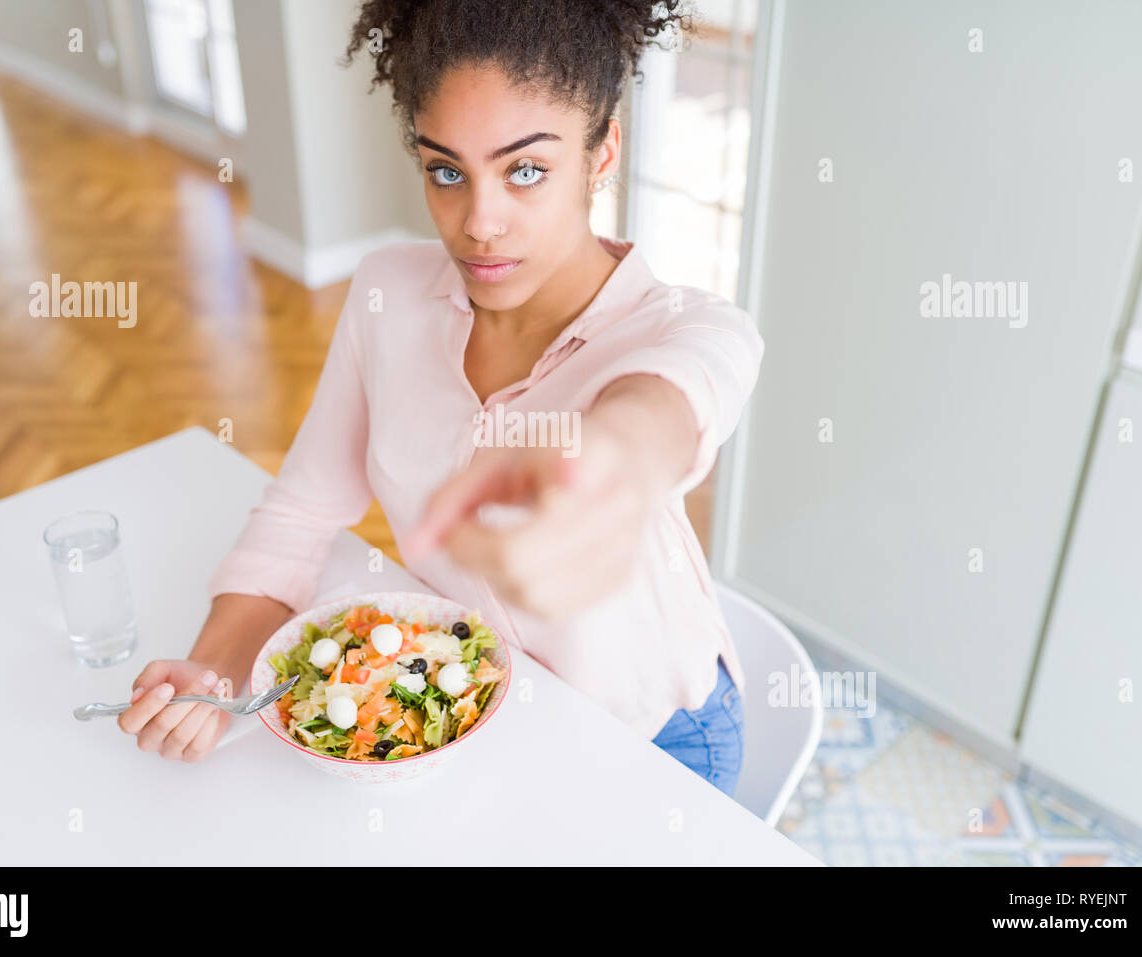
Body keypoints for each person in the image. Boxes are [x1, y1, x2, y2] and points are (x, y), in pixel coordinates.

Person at [117, 0, 763, 796]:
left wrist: (610, 462)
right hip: (481, 712)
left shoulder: (690, 327)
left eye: (526, 169)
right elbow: (299, 513)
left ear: (603, 153)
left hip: (656, 737)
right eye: (446, 170)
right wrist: (214, 673)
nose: (479, 222)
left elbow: (669, 407)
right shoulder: (387, 293)